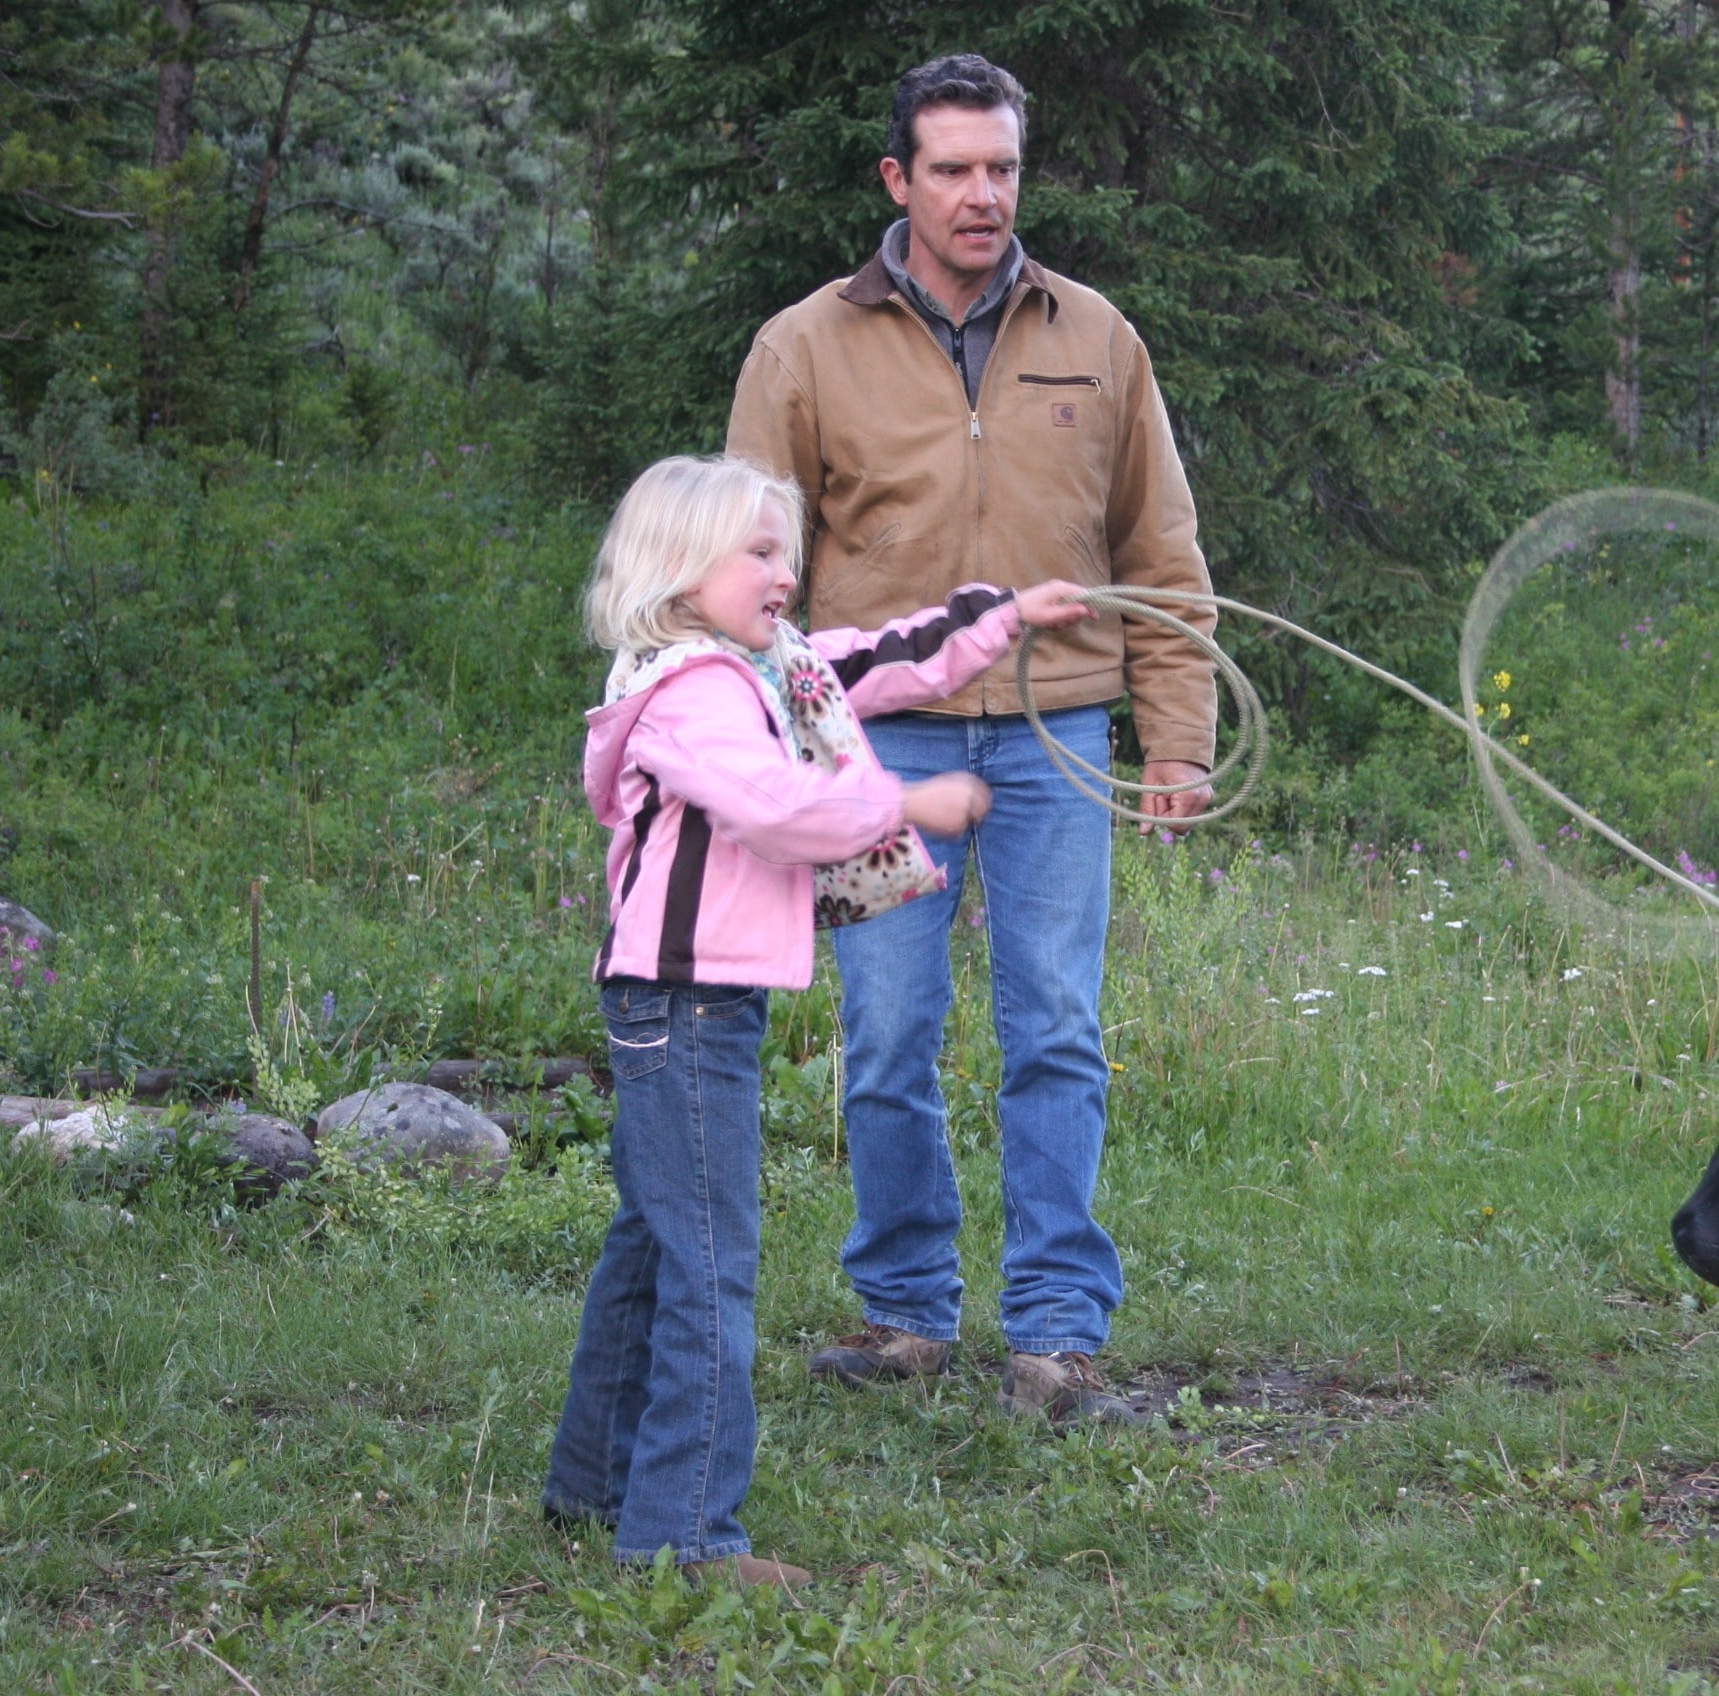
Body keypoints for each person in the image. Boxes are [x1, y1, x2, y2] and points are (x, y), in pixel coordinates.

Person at [726, 53, 1217, 1426]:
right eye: (950, 169)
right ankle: (904, 1319)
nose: (979, 195)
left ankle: (1056, 1337)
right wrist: (761, 756)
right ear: (898, 180)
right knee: (888, 1034)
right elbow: (746, 580)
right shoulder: (804, 346)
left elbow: (1161, 556)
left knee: (1055, 1028)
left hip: (1060, 739)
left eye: (999, 167)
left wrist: (1176, 742)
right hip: (875, 753)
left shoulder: (1099, 338)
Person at [543, 453, 1094, 1586]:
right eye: (755, 551)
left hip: (696, 999)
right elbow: (777, 806)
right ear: (677, 567)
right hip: (681, 1002)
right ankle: (685, 1534)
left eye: (785, 550)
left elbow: (879, 662)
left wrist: (1001, 620)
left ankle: (593, 1484)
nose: (782, 572)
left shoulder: (765, 666)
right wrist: (906, 801)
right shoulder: (692, 690)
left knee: (656, 1239)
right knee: (707, 1260)